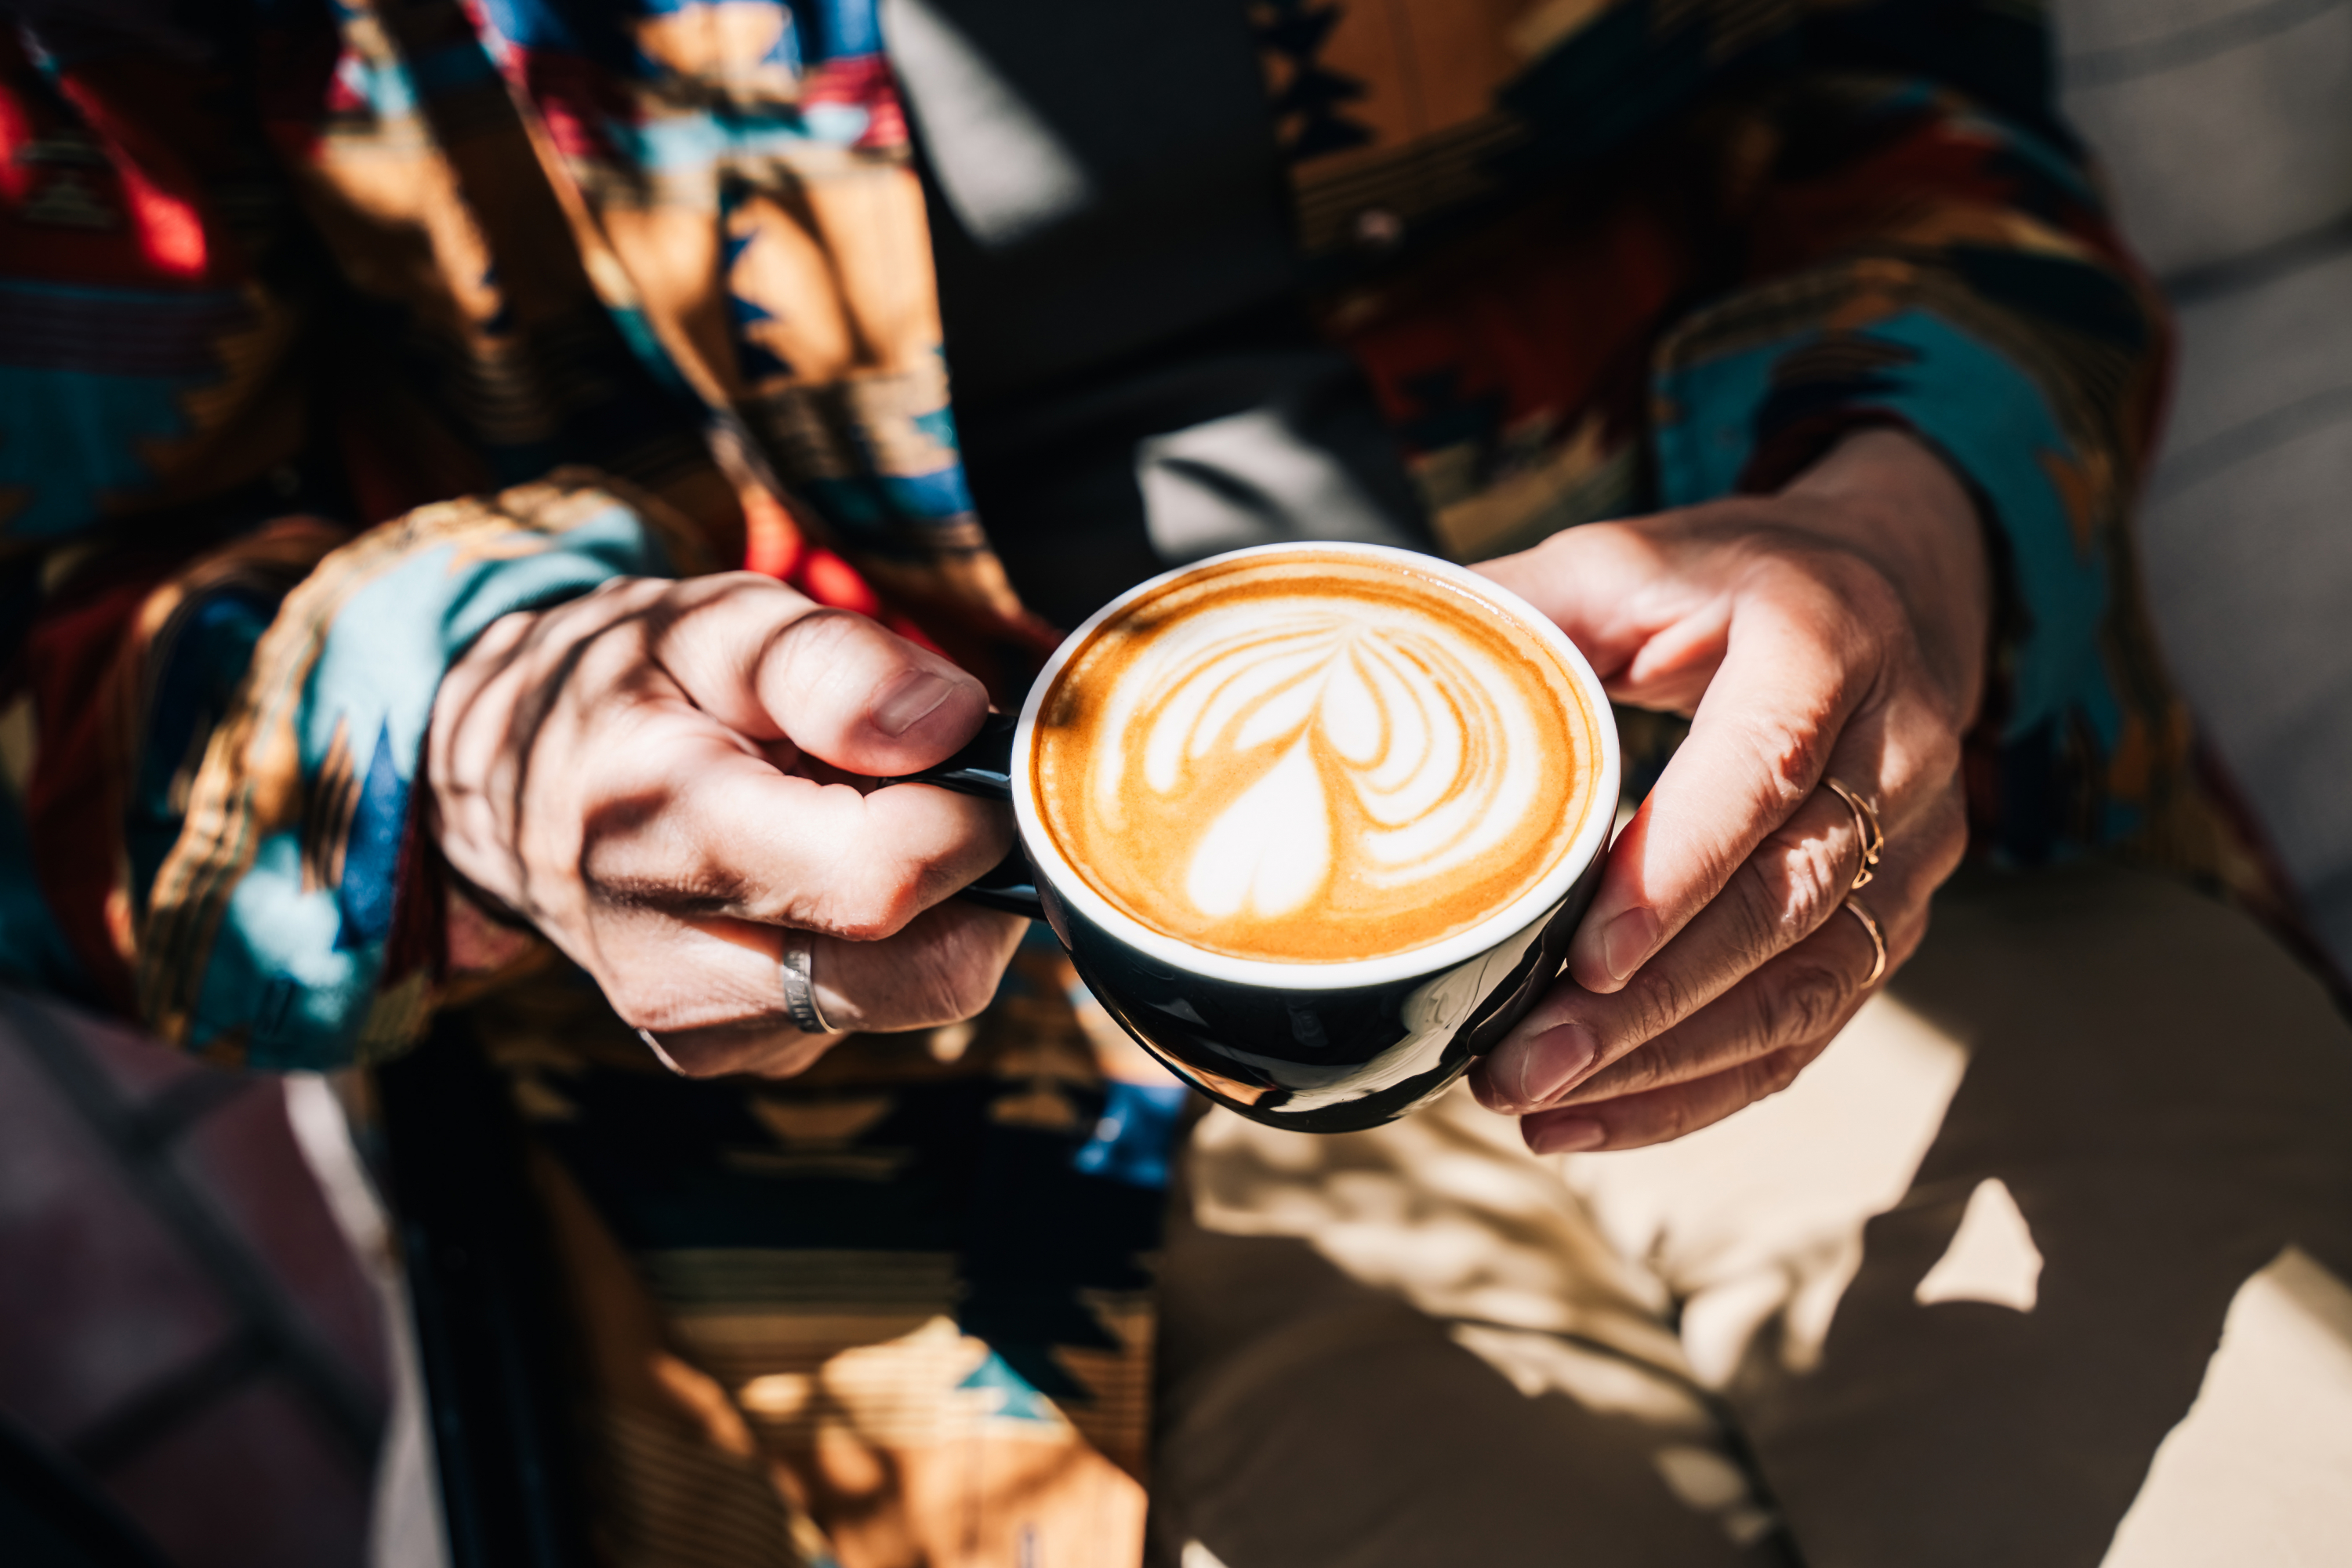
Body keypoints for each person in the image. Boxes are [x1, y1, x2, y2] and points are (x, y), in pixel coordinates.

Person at [4, 0, 2349, 1563]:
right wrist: (474, 747)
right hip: (875, 1105)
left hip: (1765, 820)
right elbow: (62, 637)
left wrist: (1908, 517)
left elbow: (1896, 97)